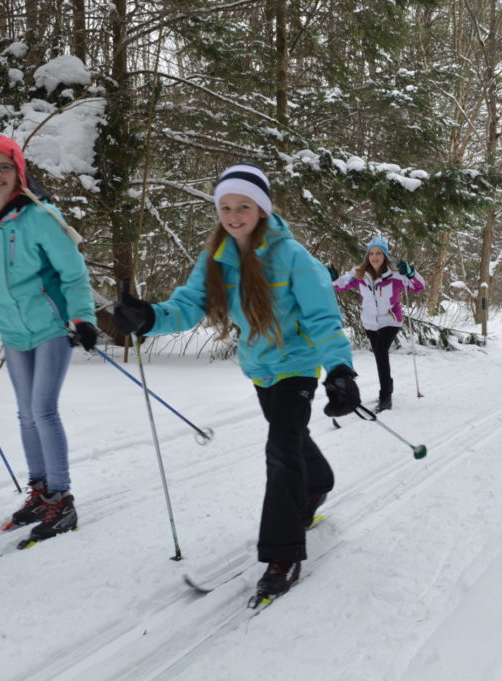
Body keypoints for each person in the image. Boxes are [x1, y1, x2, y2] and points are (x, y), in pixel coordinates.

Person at [111, 163, 360, 604]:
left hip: (297, 365)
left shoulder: (294, 257)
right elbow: (190, 305)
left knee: (280, 452)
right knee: (291, 438)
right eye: (225, 206)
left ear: (262, 209)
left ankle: (282, 555)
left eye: (243, 205)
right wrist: (149, 316)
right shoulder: (217, 256)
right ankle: (318, 481)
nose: (233, 214)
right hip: (260, 367)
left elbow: (324, 320)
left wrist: (340, 371)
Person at [0, 135, 98, 549]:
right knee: (25, 414)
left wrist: (82, 319)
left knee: (43, 409)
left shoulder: (40, 217)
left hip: (51, 326)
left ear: (18, 172)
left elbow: (74, 274)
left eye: (5, 167)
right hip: (13, 331)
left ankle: (61, 499)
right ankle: (40, 491)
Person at [330, 237, 425, 411]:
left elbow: (419, 286)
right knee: (379, 355)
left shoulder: (396, 275)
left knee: (381, 352)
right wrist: (333, 279)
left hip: (390, 320)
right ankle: (388, 383)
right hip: (370, 323)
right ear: (368, 255)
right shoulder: (359, 274)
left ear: (385, 256)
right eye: (372, 253)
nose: (374, 257)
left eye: (379, 253)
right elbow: (340, 286)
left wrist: (411, 272)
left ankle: (385, 395)